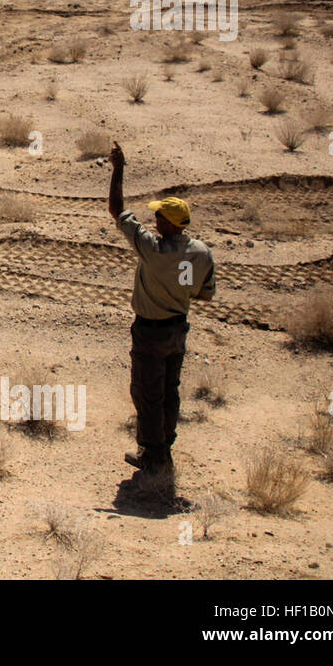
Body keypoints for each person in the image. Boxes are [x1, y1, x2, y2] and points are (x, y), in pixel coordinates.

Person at [107, 142, 216, 475]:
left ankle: (152, 458)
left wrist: (119, 169)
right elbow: (205, 294)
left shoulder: (153, 248)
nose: (153, 219)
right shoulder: (201, 251)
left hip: (150, 331)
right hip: (178, 329)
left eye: (158, 216)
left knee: (147, 394)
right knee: (169, 390)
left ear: (169, 223)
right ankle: (165, 449)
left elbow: (116, 210)